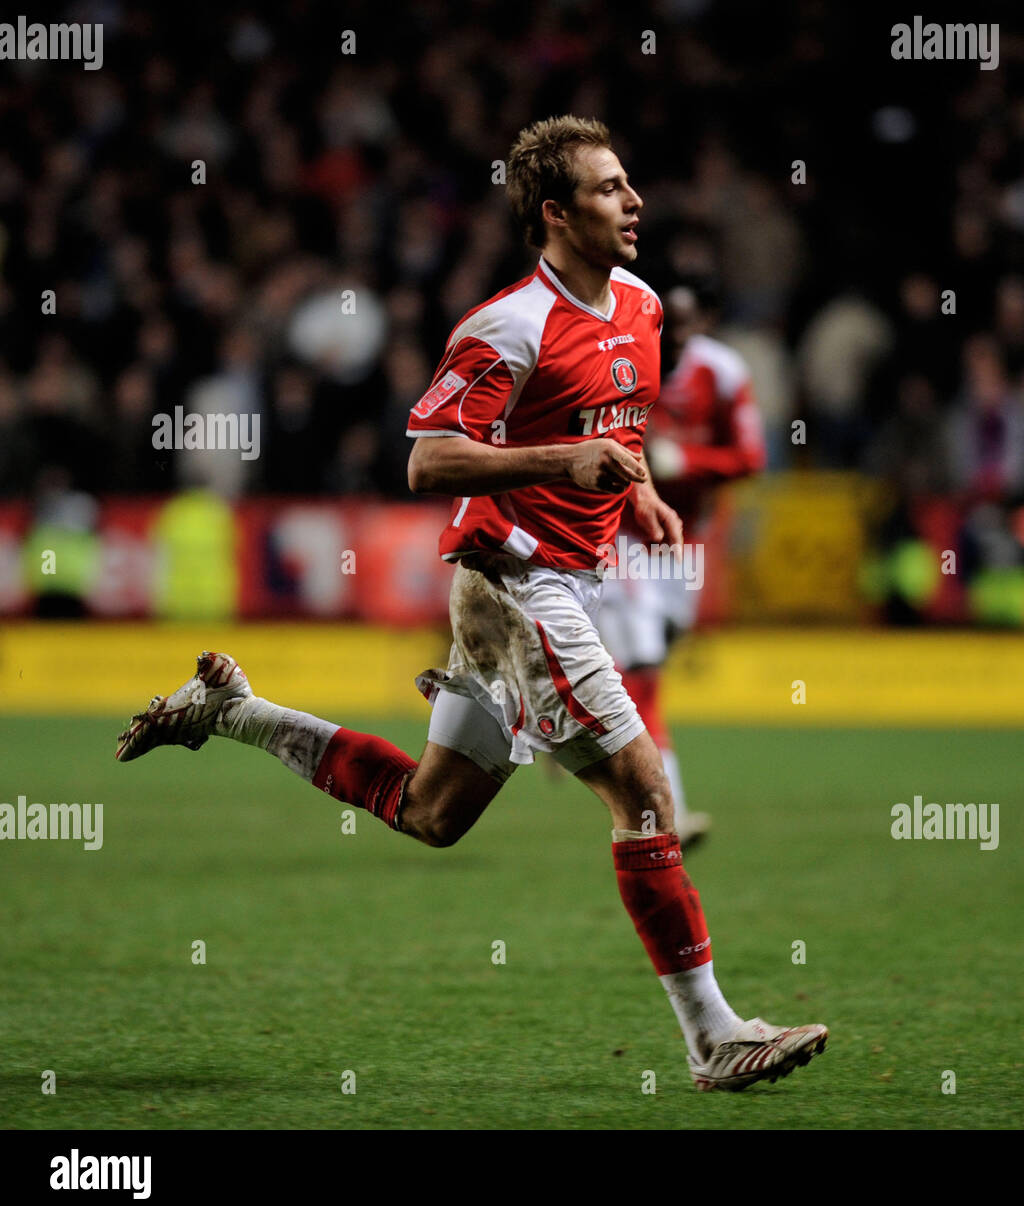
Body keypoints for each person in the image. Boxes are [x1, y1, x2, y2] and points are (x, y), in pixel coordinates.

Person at [115, 116, 827, 1092]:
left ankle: (235, 712)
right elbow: (429, 459)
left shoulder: (645, 307)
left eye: (629, 183)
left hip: (543, 582)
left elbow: (612, 422)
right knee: (646, 792)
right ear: (554, 211)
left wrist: (641, 491)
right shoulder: (507, 326)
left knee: (431, 811)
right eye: (610, 188)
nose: (635, 201)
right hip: (519, 580)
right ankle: (713, 1037)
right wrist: (559, 460)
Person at [597, 283, 765, 846]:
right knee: (644, 678)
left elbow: (751, 456)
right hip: (625, 539)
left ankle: (555, 714)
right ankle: (667, 815)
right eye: (665, 323)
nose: (673, 338)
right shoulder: (613, 357)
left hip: (685, 547)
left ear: (703, 324)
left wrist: (685, 461)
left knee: (647, 664)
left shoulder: (720, 372)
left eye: (686, 325)